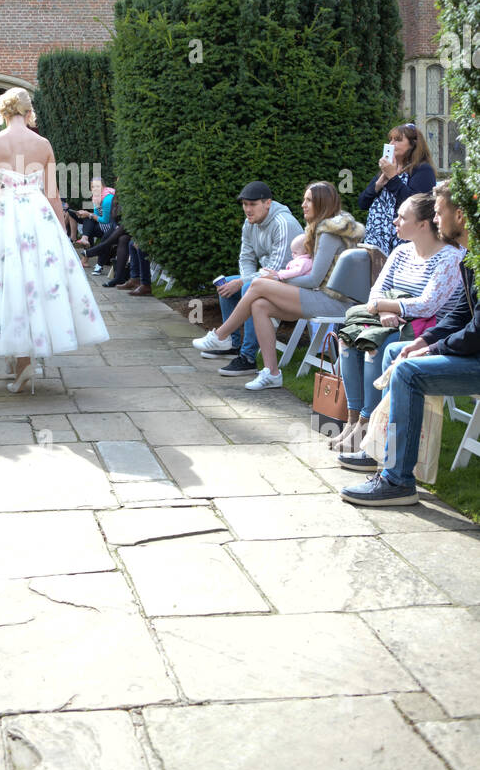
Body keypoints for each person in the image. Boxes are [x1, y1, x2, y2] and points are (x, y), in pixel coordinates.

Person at [0, 87, 109, 392]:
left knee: (6, 282)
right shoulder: (43, 144)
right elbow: (54, 195)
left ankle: (22, 361)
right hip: (38, 216)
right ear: (29, 112)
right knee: (39, 282)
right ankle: (22, 359)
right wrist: (63, 236)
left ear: (2, 112)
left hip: (5, 217)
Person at [340, 179, 477, 504]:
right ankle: (383, 453)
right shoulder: (473, 257)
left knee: (408, 372)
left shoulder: (467, 257)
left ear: (460, 215)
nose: (436, 218)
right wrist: (423, 341)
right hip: (471, 352)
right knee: (395, 352)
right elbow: (460, 313)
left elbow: (476, 331)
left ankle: (398, 481)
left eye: (440, 212)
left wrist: (431, 348)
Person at [193, 182, 365, 390]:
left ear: (323, 203)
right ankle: (271, 373)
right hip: (320, 296)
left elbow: (314, 280)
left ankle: (221, 336)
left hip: (334, 302)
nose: (303, 204)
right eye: (304, 199)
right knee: (260, 306)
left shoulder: (328, 233)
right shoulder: (320, 229)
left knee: (258, 284)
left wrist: (278, 279)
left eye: (309, 200)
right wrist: (278, 278)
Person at [194, 181, 303, 378]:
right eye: (245, 204)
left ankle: (248, 358)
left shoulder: (283, 223)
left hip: (290, 282)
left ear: (267, 203)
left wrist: (244, 282)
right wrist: (242, 280)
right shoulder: (249, 223)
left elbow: (276, 269)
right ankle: (232, 344)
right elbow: (245, 257)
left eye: (252, 204)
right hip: (267, 278)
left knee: (247, 288)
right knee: (229, 283)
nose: (247, 209)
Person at [358, 123, 436, 254]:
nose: (391, 143)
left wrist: (393, 177)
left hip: (405, 243)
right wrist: (378, 184)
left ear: (413, 144)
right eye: (391, 139)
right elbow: (363, 203)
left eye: (398, 140)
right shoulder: (386, 171)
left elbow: (416, 206)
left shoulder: (422, 170)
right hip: (377, 244)